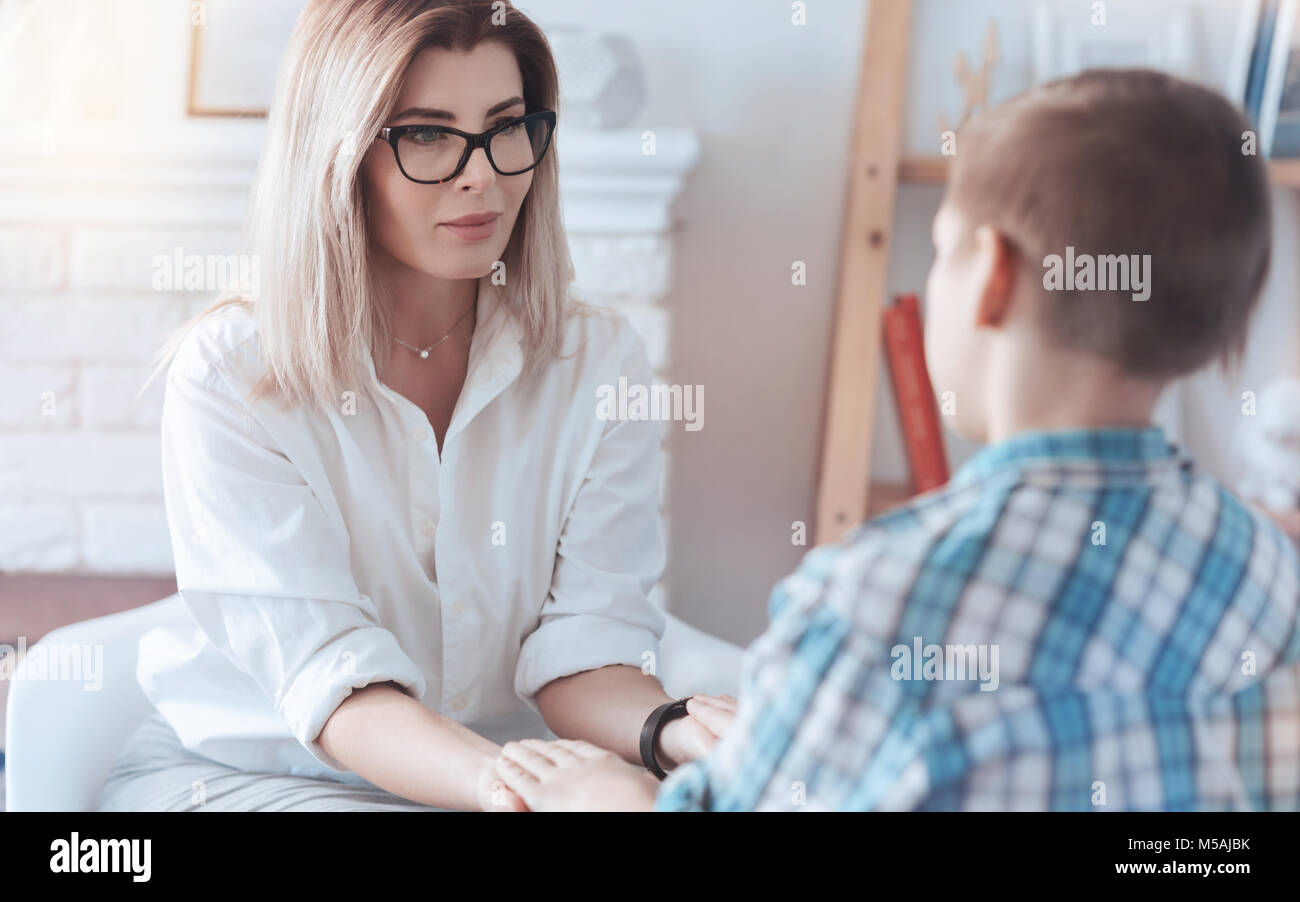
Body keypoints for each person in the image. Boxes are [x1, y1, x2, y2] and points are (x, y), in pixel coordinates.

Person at [491, 69, 1300, 812]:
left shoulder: (876, 594)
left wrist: (608, 797)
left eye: (942, 249)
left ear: (993, 275)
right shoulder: (1260, 558)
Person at [97, 0, 723, 813]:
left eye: (506, 125)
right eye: (426, 132)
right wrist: (523, 789)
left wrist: (676, 732)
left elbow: (587, 650)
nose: (483, 174)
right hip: (257, 775)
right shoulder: (232, 375)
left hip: (484, 773)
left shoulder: (600, 362)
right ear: (340, 154)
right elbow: (333, 685)